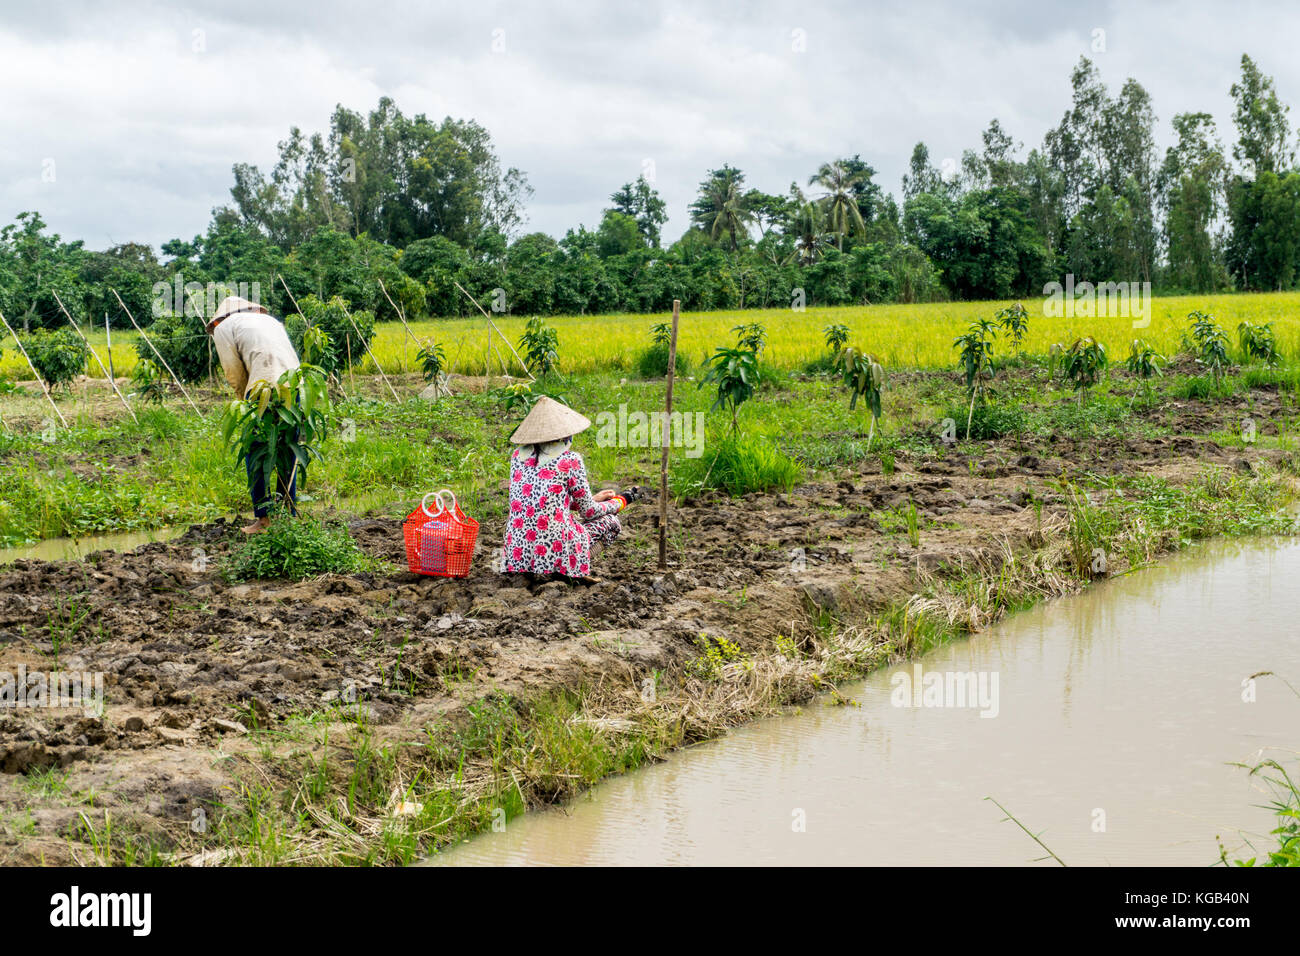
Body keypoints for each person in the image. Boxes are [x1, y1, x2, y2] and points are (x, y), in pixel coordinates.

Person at [501, 396, 629, 581]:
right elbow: (590, 512)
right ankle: (571, 568)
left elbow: (542, 502)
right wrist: (619, 503)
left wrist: (593, 497)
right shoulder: (569, 460)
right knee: (612, 523)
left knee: (566, 521)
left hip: (518, 551)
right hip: (554, 546)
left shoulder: (517, 457)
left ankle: (537, 567)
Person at [206, 295, 301, 534]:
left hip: (263, 389)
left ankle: (264, 519)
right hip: (296, 386)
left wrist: (244, 400)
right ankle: (288, 514)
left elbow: (233, 370)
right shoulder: (270, 321)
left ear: (219, 319)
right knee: (288, 449)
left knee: (255, 451)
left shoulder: (224, 328)